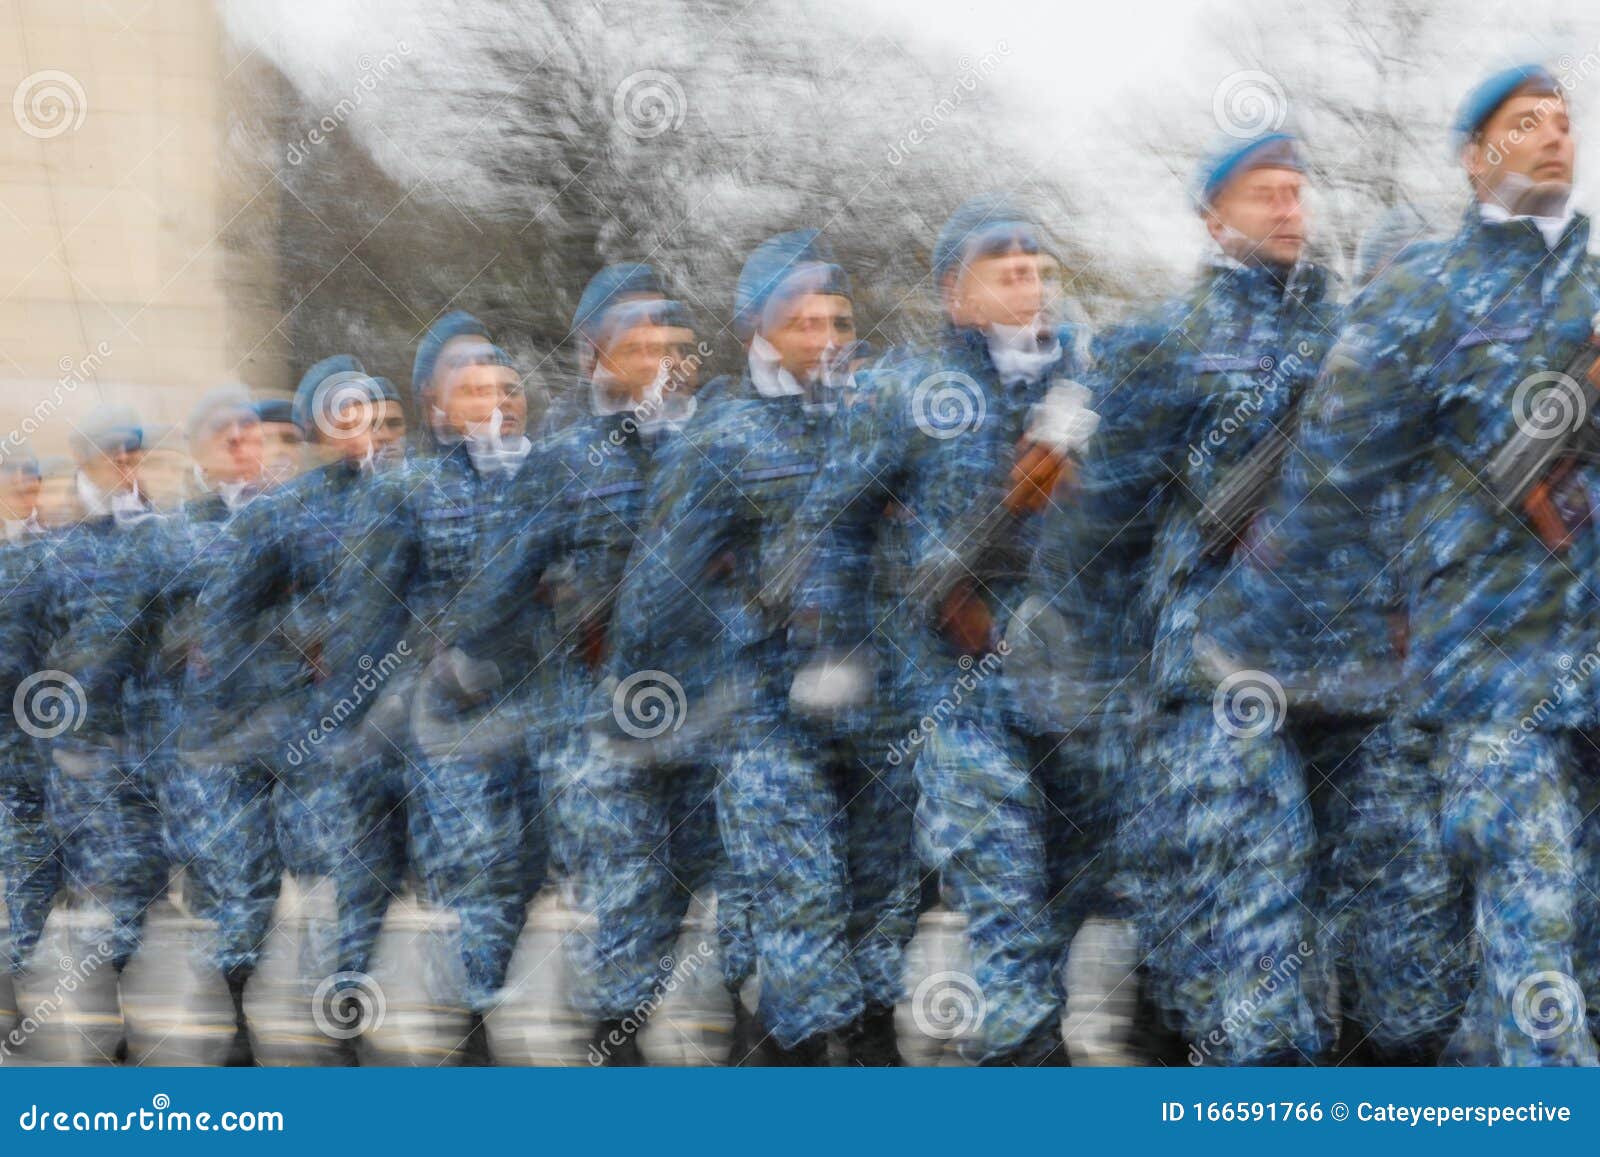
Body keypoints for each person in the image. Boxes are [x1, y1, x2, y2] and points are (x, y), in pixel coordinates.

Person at [1196, 65, 1600, 1066]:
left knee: (1542, 947)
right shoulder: (1425, 293)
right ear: (1475, 157)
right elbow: (1329, 478)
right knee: (1529, 937)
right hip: (1487, 679)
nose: (1553, 137)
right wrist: (1247, 636)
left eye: (1563, 121)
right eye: (1523, 125)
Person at [784, 196, 1099, 1064]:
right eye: (1007, 270)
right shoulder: (904, 389)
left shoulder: (1091, 385)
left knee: (1080, 866)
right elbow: (834, 522)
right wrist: (833, 645)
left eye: (1039, 268)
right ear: (956, 295)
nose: (1031, 282)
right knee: (993, 862)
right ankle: (1027, 1049)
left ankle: (1043, 1011)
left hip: (1075, 672)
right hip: (948, 677)